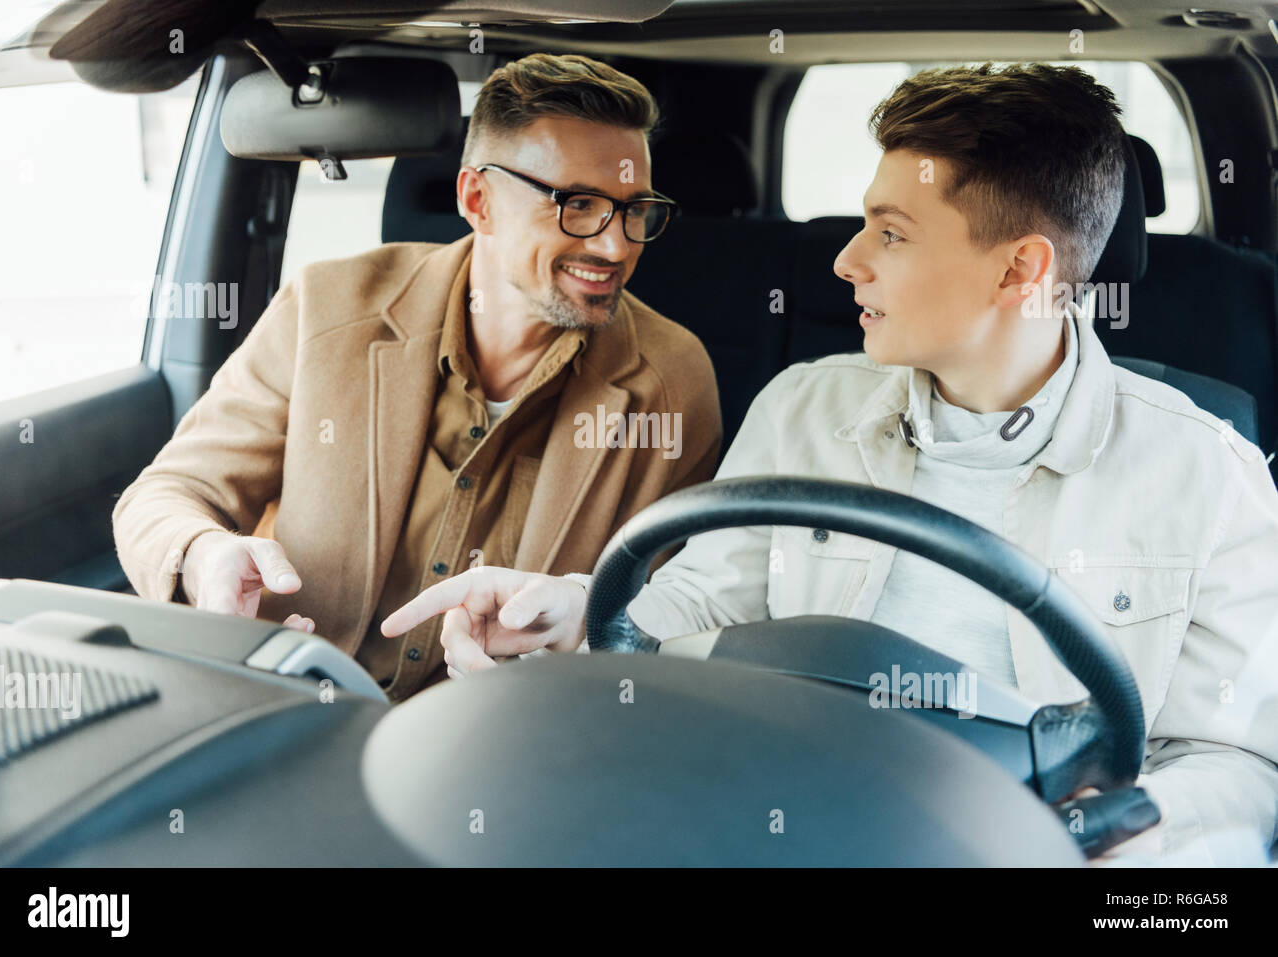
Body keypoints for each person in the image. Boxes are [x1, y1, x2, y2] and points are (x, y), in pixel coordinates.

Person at [384, 63, 1278, 864]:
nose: (846, 261)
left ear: (1021, 272)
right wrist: (575, 616)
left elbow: (1239, 758)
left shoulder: (1210, 477)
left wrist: (1116, 832)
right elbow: (706, 604)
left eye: (891, 234)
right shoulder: (804, 406)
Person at [112, 53, 722, 702]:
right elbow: (165, 496)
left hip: (509, 742)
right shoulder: (325, 308)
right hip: (286, 704)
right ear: (476, 199)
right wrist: (205, 555)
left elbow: (672, 610)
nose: (616, 246)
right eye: (578, 204)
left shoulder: (672, 384)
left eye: (635, 210)